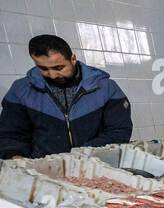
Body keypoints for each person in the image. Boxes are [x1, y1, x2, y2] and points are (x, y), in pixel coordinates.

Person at [0, 35, 133, 159]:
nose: (52, 75)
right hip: (44, 169)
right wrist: (17, 159)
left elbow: (119, 131)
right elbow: (10, 135)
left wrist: (80, 155)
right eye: (43, 69)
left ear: (73, 59)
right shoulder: (20, 91)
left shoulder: (105, 88)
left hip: (94, 164)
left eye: (58, 67)